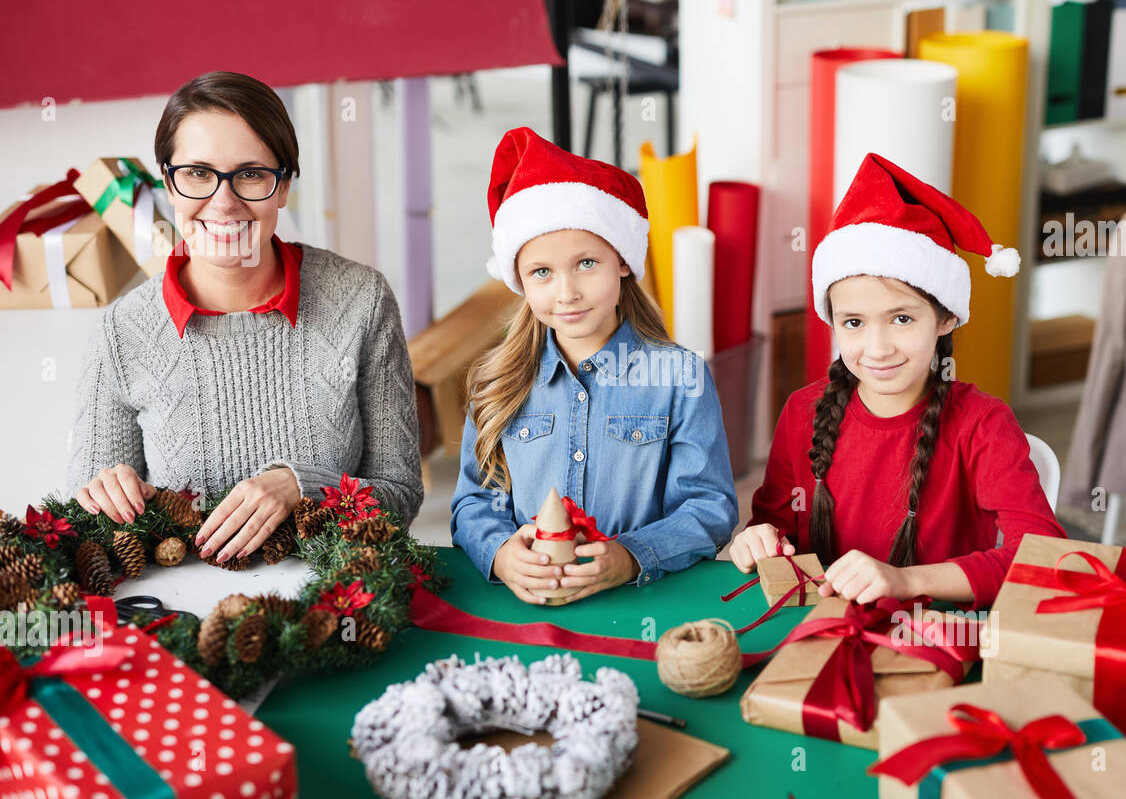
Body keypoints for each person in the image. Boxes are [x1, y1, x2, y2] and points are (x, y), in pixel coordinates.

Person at [66, 70, 424, 563]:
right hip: (182, 618)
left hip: (337, 608)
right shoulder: (121, 332)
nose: (224, 201)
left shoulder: (362, 301)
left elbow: (400, 495)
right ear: (169, 184)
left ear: (283, 187)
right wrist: (105, 495)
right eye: (197, 173)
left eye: (251, 174)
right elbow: (87, 529)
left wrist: (303, 487)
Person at [730, 152, 1066, 611]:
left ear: (946, 317)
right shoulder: (802, 412)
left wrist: (904, 581)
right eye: (853, 322)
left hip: (935, 643)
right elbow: (775, 525)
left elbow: (1041, 559)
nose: (878, 347)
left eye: (902, 318)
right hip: (819, 633)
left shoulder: (983, 424)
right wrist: (758, 540)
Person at [450, 126, 738, 604]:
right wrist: (501, 552)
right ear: (519, 280)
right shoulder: (495, 382)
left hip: (645, 603)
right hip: (529, 605)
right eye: (542, 272)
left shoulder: (679, 378)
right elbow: (474, 501)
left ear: (622, 261)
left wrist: (631, 555)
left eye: (586, 263)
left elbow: (708, 506)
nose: (567, 293)